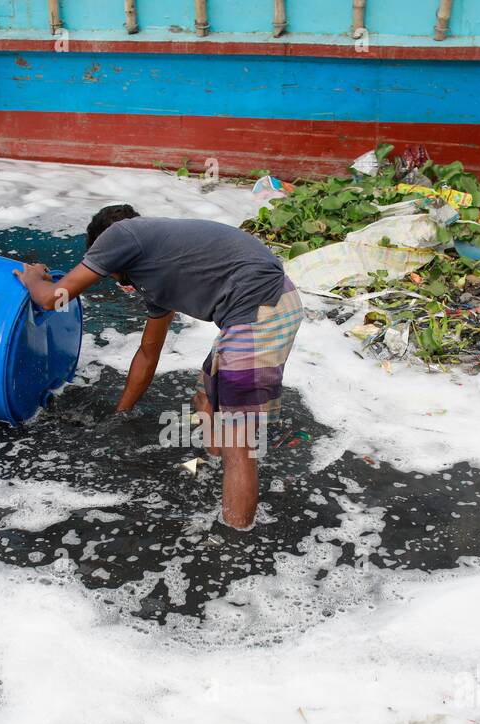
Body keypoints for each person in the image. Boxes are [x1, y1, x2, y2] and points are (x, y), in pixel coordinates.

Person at [15, 204, 304, 529]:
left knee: (238, 438)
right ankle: (214, 473)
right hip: (257, 309)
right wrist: (120, 415)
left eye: (105, 267)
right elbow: (147, 353)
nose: (109, 276)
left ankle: (235, 540)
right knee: (206, 401)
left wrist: (33, 280)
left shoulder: (120, 234)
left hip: (262, 307)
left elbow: (54, 299)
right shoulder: (156, 270)